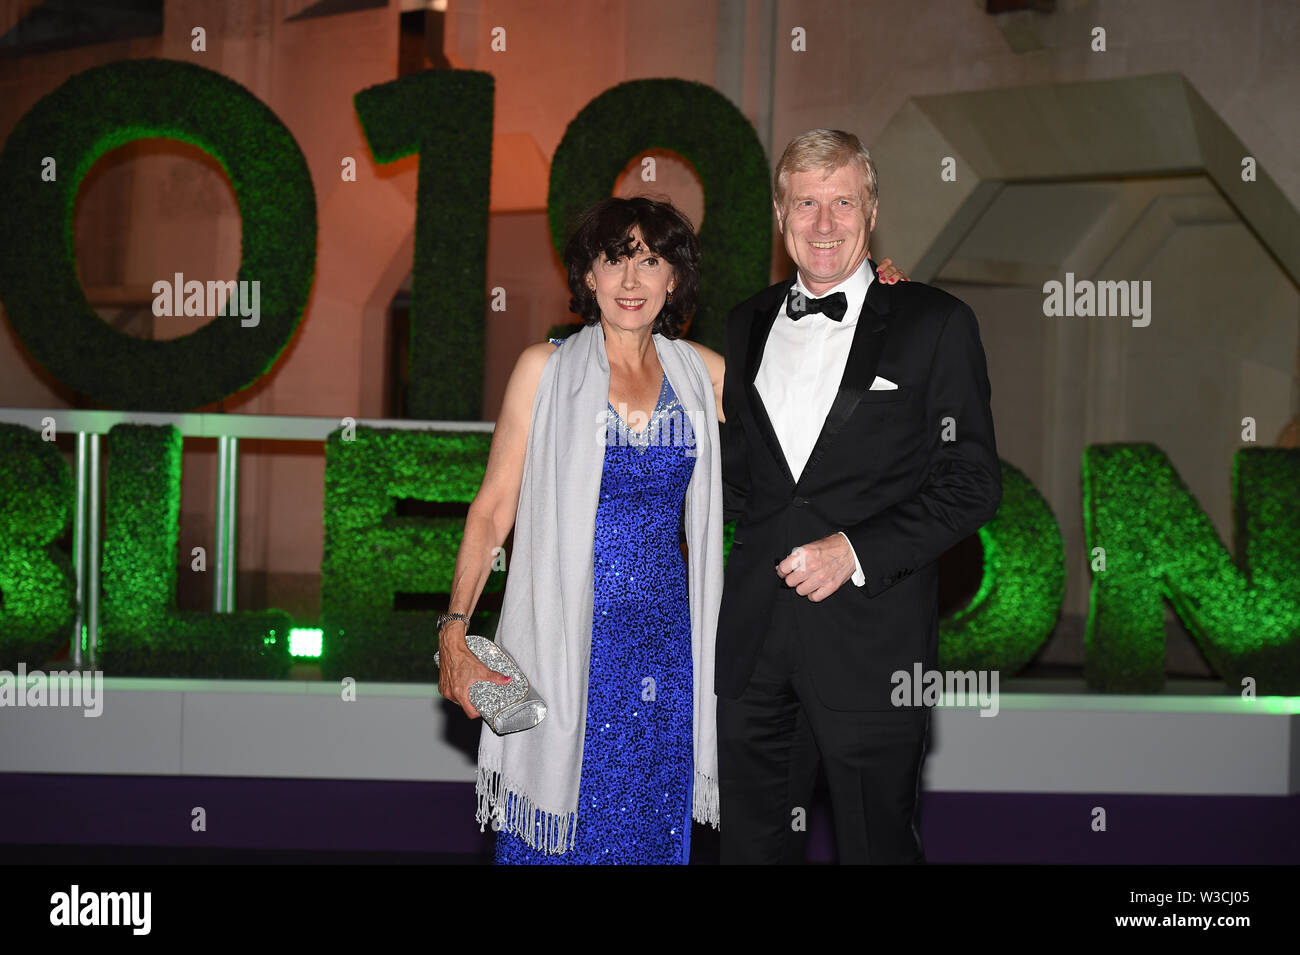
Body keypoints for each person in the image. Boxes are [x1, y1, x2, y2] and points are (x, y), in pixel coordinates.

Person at [438, 194, 907, 865]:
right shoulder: (542, 372)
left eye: (650, 262)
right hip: (563, 645)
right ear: (589, 276)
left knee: (647, 835)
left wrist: (869, 301)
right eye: (614, 261)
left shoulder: (700, 373)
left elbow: (816, 385)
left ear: (674, 280)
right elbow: (492, 508)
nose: (631, 282)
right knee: (555, 842)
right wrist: (454, 627)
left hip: (663, 655)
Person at [716, 129, 1002, 864]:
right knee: (749, 850)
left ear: (870, 211)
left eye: (842, 201)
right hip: (751, 648)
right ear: (780, 216)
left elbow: (973, 482)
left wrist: (854, 549)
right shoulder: (744, 323)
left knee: (877, 850)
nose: (823, 223)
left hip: (875, 652)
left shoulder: (935, 323)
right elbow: (743, 477)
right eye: (805, 203)